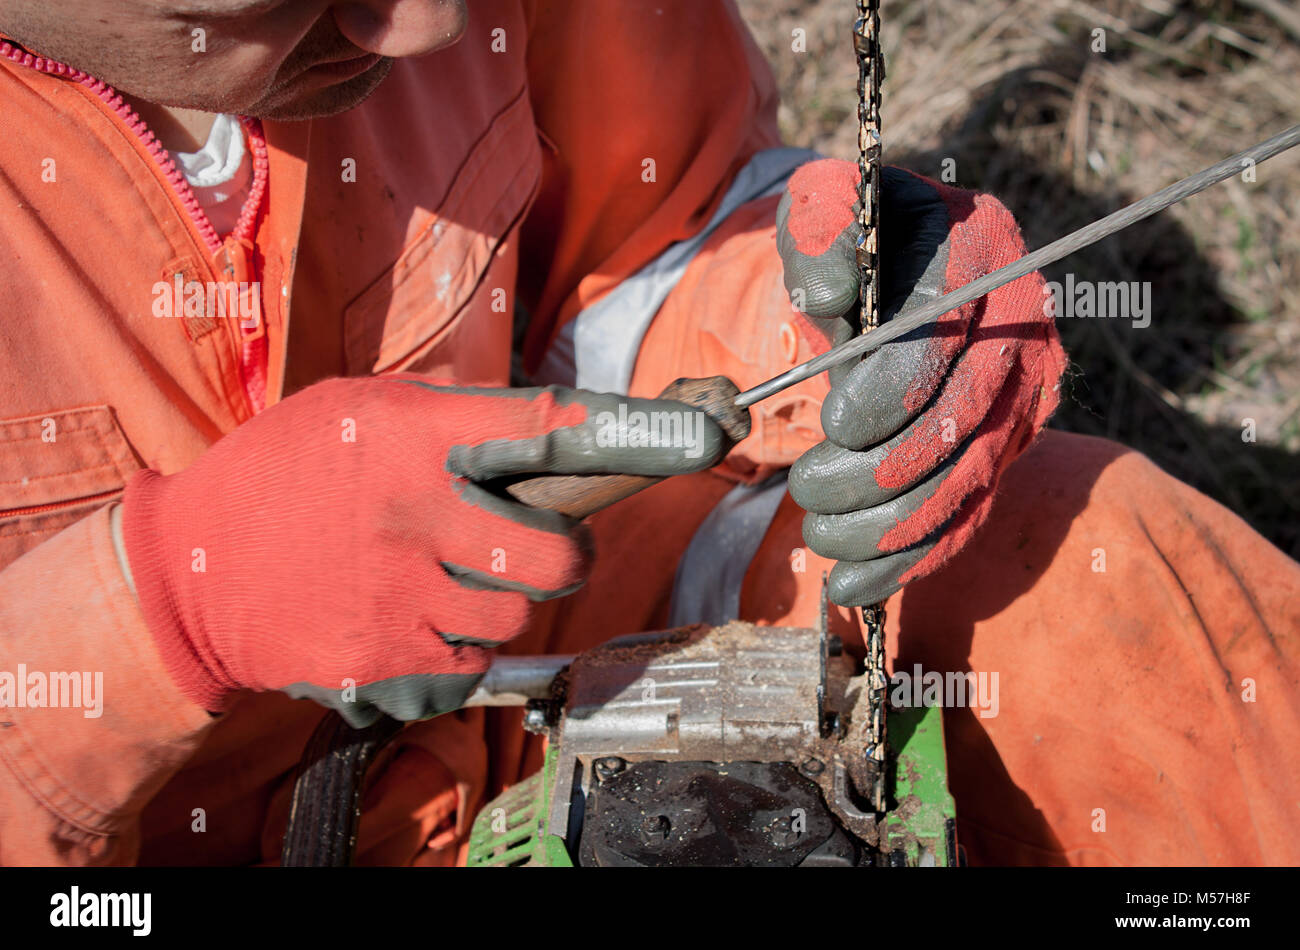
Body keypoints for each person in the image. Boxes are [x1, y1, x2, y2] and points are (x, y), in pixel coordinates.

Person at [0, 0, 1294, 867]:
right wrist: (156, 611)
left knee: (1080, 568)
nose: (433, 22)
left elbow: (648, 243)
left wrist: (843, 304)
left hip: (538, 709)